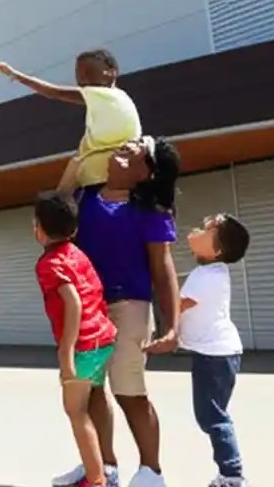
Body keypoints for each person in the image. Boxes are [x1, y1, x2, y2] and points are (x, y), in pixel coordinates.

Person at [53, 137, 182, 487]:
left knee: (129, 391)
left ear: (146, 171)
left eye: (137, 148)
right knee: (92, 388)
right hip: (88, 309)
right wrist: (76, 164)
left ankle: (151, 472)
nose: (125, 146)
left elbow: (162, 266)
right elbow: (52, 215)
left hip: (129, 307)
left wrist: (173, 326)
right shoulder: (85, 197)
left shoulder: (149, 209)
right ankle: (104, 467)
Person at [33, 191, 118, 487]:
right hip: (103, 340)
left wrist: (66, 352)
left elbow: (73, 303)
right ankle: (101, 472)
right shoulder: (78, 254)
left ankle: (96, 480)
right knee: (92, 400)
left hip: (82, 346)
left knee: (76, 412)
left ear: (38, 228)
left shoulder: (48, 264)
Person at [0, 49, 141, 193]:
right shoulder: (119, 97)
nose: (81, 80)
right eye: (78, 75)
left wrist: (15, 75)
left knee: (65, 191)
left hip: (102, 172)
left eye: (88, 73)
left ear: (111, 72)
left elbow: (53, 92)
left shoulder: (99, 93)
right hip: (123, 165)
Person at [179, 213, 252, 487]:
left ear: (217, 250)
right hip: (217, 353)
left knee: (212, 416)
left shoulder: (206, 275)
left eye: (210, 227)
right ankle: (230, 474)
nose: (202, 225)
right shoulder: (212, 272)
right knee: (211, 415)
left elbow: (178, 305)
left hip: (215, 355)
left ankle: (232, 475)